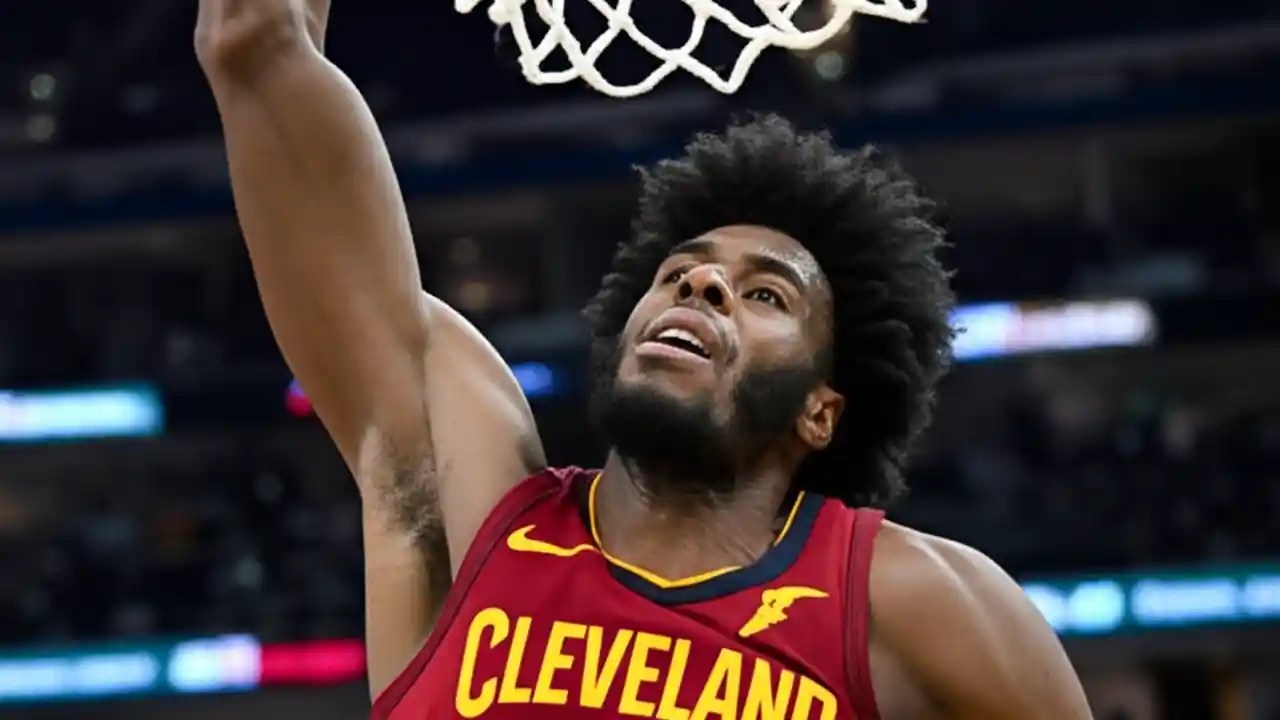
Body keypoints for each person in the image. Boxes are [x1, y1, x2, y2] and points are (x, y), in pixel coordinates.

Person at [195, 1, 1094, 718]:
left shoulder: (911, 602)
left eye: (766, 293)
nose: (701, 284)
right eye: (680, 271)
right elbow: (254, 41)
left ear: (821, 409)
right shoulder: (475, 521)